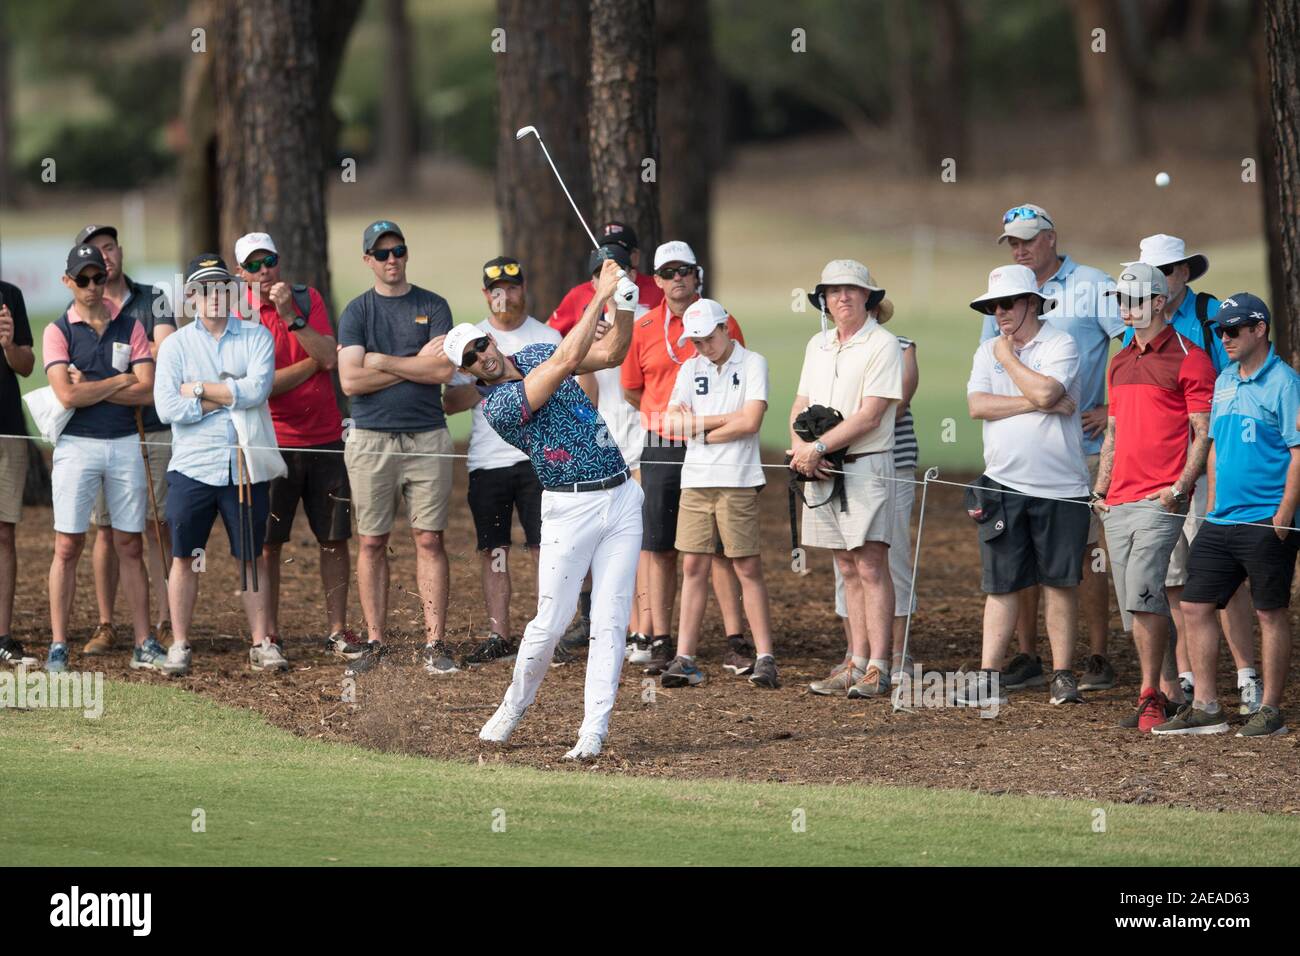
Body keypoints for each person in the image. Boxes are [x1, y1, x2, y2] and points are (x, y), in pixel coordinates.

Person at [460, 258, 640, 760]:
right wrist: (598, 296)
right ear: (469, 372)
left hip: (622, 496)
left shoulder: (539, 347)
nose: (481, 357)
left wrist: (622, 305)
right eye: (471, 359)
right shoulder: (497, 406)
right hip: (570, 507)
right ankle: (513, 708)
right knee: (550, 622)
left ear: (492, 342)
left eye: (481, 346)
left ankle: (593, 729)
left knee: (610, 619)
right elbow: (562, 365)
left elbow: (609, 353)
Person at [982, 205, 1123, 693]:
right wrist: (1040, 401)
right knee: (1020, 562)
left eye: (1028, 240)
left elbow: (1128, 345)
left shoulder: (1091, 282)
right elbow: (985, 388)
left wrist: (1112, 410)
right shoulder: (1003, 297)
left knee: (1085, 558)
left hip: (1085, 445)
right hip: (1019, 460)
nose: (1020, 248)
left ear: (1051, 238)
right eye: (1012, 242)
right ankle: (1027, 654)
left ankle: (1098, 655)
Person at [1154, 294, 1300, 738]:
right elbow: (1214, 448)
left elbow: (1298, 453)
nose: (1225, 338)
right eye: (1220, 331)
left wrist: (1282, 517)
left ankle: (1270, 709)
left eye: (1233, 330)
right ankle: (1207, 707)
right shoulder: (1224, 381)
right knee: (1196, 604)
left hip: (1266, 519)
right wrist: (1214, 505)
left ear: (1260, 329)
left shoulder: (1286, 382)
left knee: (1269, 612)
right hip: (1222, 519)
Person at [1127, 234, 1260, 713]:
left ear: (1183, 273)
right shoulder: (1135, 326)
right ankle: (1186, 680)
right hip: (1160, 477)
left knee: (1226, 577)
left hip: (1210, 469)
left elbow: (1236, 387)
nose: (1153, 281)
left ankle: (1247, 676)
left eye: (1163, 271)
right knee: (1174, 579)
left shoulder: (1211, 319)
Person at [1090, 263, 1214, 731]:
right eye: (1121, 301)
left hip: (1162, 500)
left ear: (1160, 302)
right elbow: (1114, 434)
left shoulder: (1191, 357)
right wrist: (1100, 490)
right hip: (1118, 501)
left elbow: (1202, 434)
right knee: (1135, 608)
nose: (1126, 309)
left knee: (1145, 594)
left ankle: (1148, 695)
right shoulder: (1120, 359)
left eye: (1135, 301)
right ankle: (1169, 692)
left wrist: (1180, 489)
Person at [153, 254, 287, 677]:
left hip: (244, 466)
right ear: (191, 296)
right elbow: (165, 406)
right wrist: (224, 396)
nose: (214, 296)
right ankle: (179, 644)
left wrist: (197, 391)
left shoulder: (256, 335)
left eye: (222, 287)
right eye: (204, 289)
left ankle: (262, 642)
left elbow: (256, 390)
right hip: (192, 467)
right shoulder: (175, 344)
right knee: (186, 556)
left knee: (251, 558)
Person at [964, 265, 1091, 707]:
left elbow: (1046, 393)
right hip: (1002, 483)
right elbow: (978, 406)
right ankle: (988, 673)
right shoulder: (986, 350)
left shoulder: (1061, 343)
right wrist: (1039, 401)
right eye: (993, 305)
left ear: (1032, 303)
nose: (999, 312)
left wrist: (1009, 361)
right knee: (1000, 584)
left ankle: (1062, 674)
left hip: (1061, 486)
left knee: (1060, 583)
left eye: (1007, 303)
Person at [621, 240, 748, 675]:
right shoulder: (643, 327)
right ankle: (660, 637)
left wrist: (706, 426)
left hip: (714, 440)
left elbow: (739, 375)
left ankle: (735, 639)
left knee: (717, 547)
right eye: (669, 272)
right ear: (655, 280)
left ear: (697, 275)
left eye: (685, 270)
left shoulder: (721, 320)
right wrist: (665, 421)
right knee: (658, 545)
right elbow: (630, 388)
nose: (678, 278)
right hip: (662, 443)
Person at [337, 220, 458, 674]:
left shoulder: (433, 304)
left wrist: (383, 361)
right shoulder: (357, 312)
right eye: (381, 253)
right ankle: (375, 641)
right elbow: (350, 379)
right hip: (371, 438)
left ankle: (435, 643)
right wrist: (415, 363)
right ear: (367, 259)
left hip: (427, 434)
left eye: (398, 251)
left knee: (429, 537)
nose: (392, 260)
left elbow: (444, 372)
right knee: (371, 540)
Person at [233, 232, 358, 659]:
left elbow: (330, 357)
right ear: (239, 273)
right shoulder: (238, 314)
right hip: (270, 441)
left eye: (269, 260)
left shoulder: (306, 299)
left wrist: (291, 316)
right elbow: (258, 386)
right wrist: (313, 363)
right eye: (253, 265)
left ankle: (338, 631)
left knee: (334, 536)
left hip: (325, 437)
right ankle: (267, 634)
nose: (263, 270)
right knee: (268, 542)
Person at [44, 244, 162, 673]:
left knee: (130, 542)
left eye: (97, 277)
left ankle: (144, 641)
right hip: (76, 446)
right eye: (83, 279)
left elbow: (148, 390)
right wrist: (120, 380)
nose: (92, 286)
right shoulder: (58, 330)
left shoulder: (130, 326)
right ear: (68, 282)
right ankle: (59, 644)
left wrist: (94, 381)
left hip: (125, 441)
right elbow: (67, 394)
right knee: (68, 544)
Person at [792, 260, 902, 699]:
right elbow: (800, 403)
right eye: (834, 291)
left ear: (868, 298)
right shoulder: (817, 345)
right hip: (821, 467)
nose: (842, 297)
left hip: (865, 464)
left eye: (852, 291)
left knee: (871, 563)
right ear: (824, 299)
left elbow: (871, 414)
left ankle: (880, 665)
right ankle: (855, 660)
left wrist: (816, 449)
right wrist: (802, 449)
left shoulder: (883, 343)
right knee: (845, 565)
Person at [444, 256, 560, 664]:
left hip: (536, 458)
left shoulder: (546, 335)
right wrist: (486, 380)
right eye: (496, 289)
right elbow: (450, 402)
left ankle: (551, 632)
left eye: (511, 287)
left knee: (543, 547)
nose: (504, 296)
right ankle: (500, 635)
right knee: (494, 550)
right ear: (485, 294)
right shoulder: (471, 344)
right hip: (487, 462)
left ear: (523, 288)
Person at [658, 298, 778, 689]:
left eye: (708, 338)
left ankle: (764, 657)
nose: (702, 347)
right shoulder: (690, 368)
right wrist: (724, 421)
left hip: (738, 479)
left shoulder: (753, 362)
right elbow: (672, 423)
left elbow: (752, 421)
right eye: (695, 341)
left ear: (725, 329)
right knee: (693, 566)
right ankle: (685, 658)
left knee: (746, 566)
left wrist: (701, 431)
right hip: (695, 479)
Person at [549, 241, 655, 659]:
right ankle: (610, 627)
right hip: (601, 450)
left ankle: (645, 632)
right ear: (594, 281)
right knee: (603, 545)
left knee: (641, 543)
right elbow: (584, 397)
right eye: (605, 272)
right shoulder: (583, 327)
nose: (614, 278)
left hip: (644, 442)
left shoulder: (647, 320)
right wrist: (586, 349)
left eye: (621, 269)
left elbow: (648, 389)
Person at [73, 224, 176, 656]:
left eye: (110, 247)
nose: (105, 257)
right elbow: (71, 378)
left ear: (119, 251)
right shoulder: (80, 306)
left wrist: (102, 381)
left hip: (152, 428)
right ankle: (106, 623)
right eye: (95, 253)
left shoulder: (154, 298)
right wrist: (129, 378)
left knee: (157, 526)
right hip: (102, 433)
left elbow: (163, 357)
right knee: (107, 529)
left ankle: (168, 619)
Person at [832, 323, 920, 680]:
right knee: (846, 564)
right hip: (838, 465)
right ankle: (857, 652)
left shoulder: (899, 345)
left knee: (889, 558)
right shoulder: (828, 348)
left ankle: (898, 654)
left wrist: (837, 421)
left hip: (889, 464)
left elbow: (893, 408)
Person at [0, 279, 37, 667]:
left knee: (4, 530)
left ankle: (2, 634)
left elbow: (26, 367)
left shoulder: (9, 296)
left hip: (6, 429)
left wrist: (9, 345)